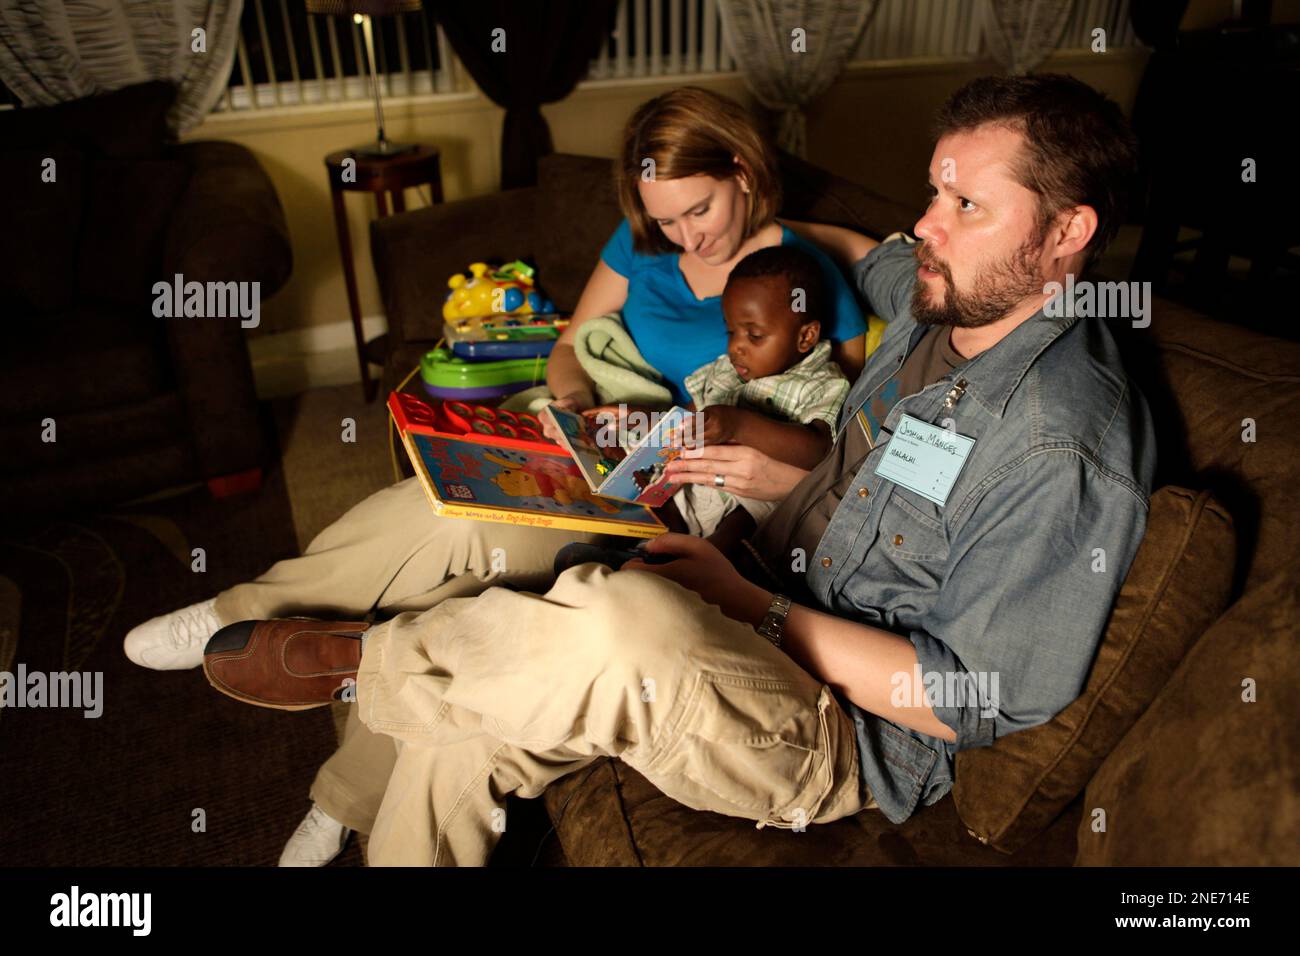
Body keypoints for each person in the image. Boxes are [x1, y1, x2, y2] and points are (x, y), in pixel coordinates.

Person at [197, 72, 1158, 866]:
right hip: (748, 569)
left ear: (1067, 235)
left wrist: (759, 611)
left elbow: (972, 700)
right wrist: (743, 236)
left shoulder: (1059, 442)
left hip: (828, 728)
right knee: (494, 693)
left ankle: (369, 657)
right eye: (935, 192)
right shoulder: (937, 298)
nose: (929, 224)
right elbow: (853, 262)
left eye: (965, 205)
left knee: (615, 616)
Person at [121, 85, 866, 866]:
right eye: (665, 217)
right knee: (442, 509)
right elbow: (571, 342)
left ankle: (343, 770)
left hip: (678, 502)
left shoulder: (800, 276)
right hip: (610, 451)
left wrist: (833, 243)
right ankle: (238, 613)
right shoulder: (642, 245)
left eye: (700, 210)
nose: (685, 235)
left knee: (464, 590)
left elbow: (830, 432)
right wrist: (576, 407)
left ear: (744, 172)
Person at [671, 243, 850, 538]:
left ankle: (705, 563)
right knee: (655, 489)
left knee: (756, 513)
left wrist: (736, 425)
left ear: (805, 336)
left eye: (754, 335)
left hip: (750, 501)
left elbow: (820, 450)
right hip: (693, 486)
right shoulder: (726, 369)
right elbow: (683, 418)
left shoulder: (824, 383)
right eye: (731, 332)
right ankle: (658, 551)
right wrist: (638, 421)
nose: (735, 347)